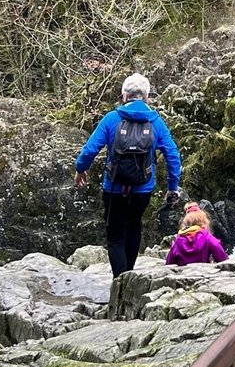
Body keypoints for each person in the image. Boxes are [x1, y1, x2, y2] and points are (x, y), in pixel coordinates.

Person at [74, 73, 182, 276]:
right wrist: (172, 186)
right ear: (146, 97)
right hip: (143, 189)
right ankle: (128, 279)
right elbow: (173, 156)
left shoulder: (111, 119)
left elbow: (90, 150)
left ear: (124, 96)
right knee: (134, 226)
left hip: (114, 187)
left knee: (115, 236)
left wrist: (81, 169)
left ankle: (120, 281)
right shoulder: (156, 122)